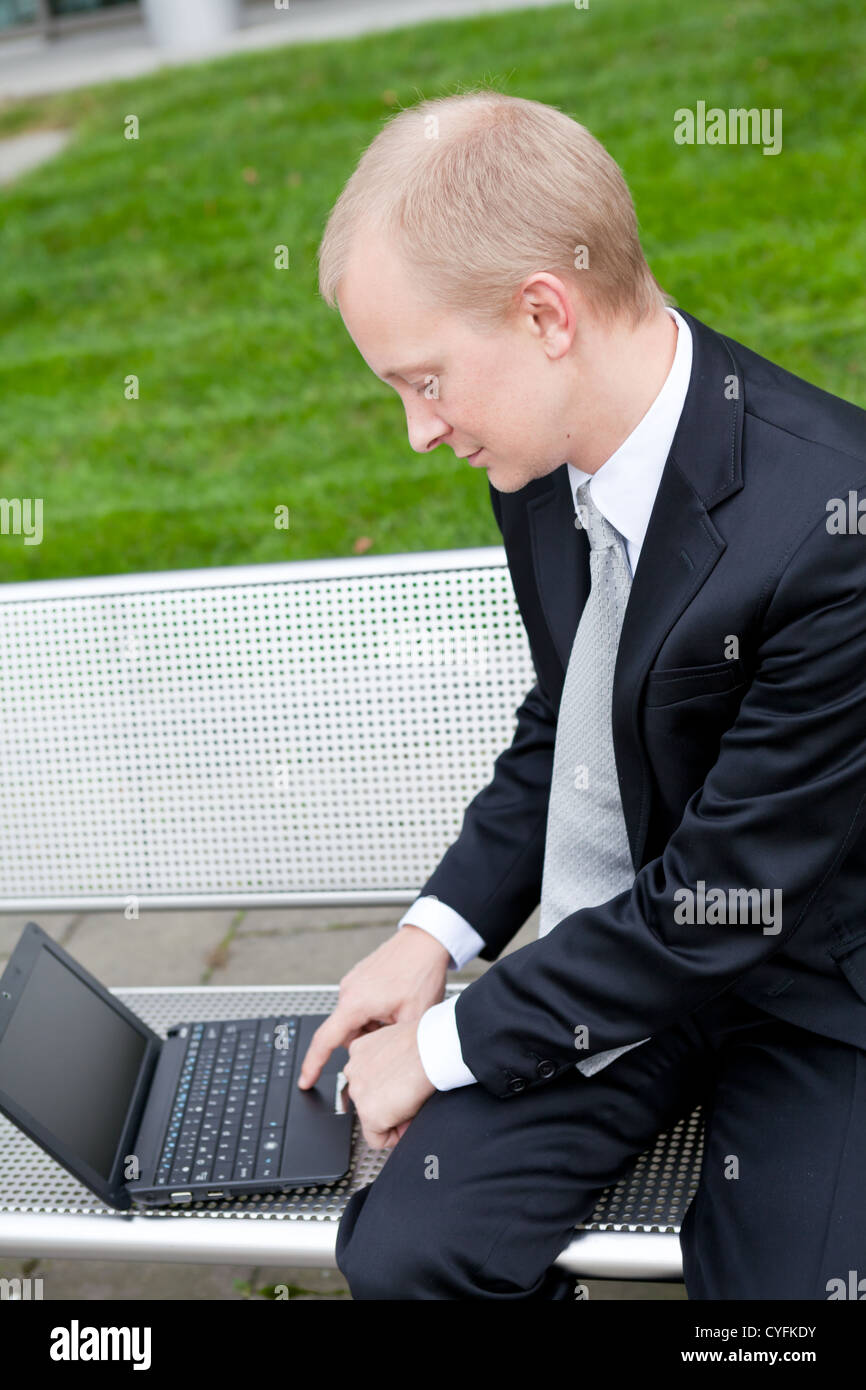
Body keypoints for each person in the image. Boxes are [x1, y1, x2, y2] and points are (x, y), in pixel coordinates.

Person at [296, 89, 866, 1300]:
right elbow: (571, 716)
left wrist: (438, 1048)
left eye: (426, 381)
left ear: (543, 313)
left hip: (813, 977)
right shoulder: (536, 452)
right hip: (620, 959)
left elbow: (723, 902)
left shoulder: (831, 528)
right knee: (409, 1253)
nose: (416, 432)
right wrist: (432, 933)